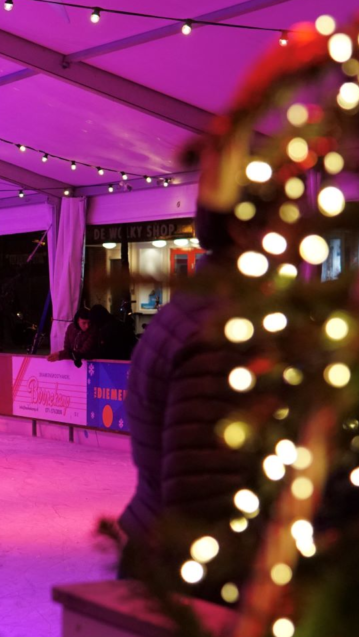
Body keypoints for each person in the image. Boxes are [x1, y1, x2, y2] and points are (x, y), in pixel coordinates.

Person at [116, 206, 251, 595]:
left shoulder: (195, 312)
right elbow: (200, 492)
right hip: (191, 579)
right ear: (246, 232)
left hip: (166, 555)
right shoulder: (221, 330)